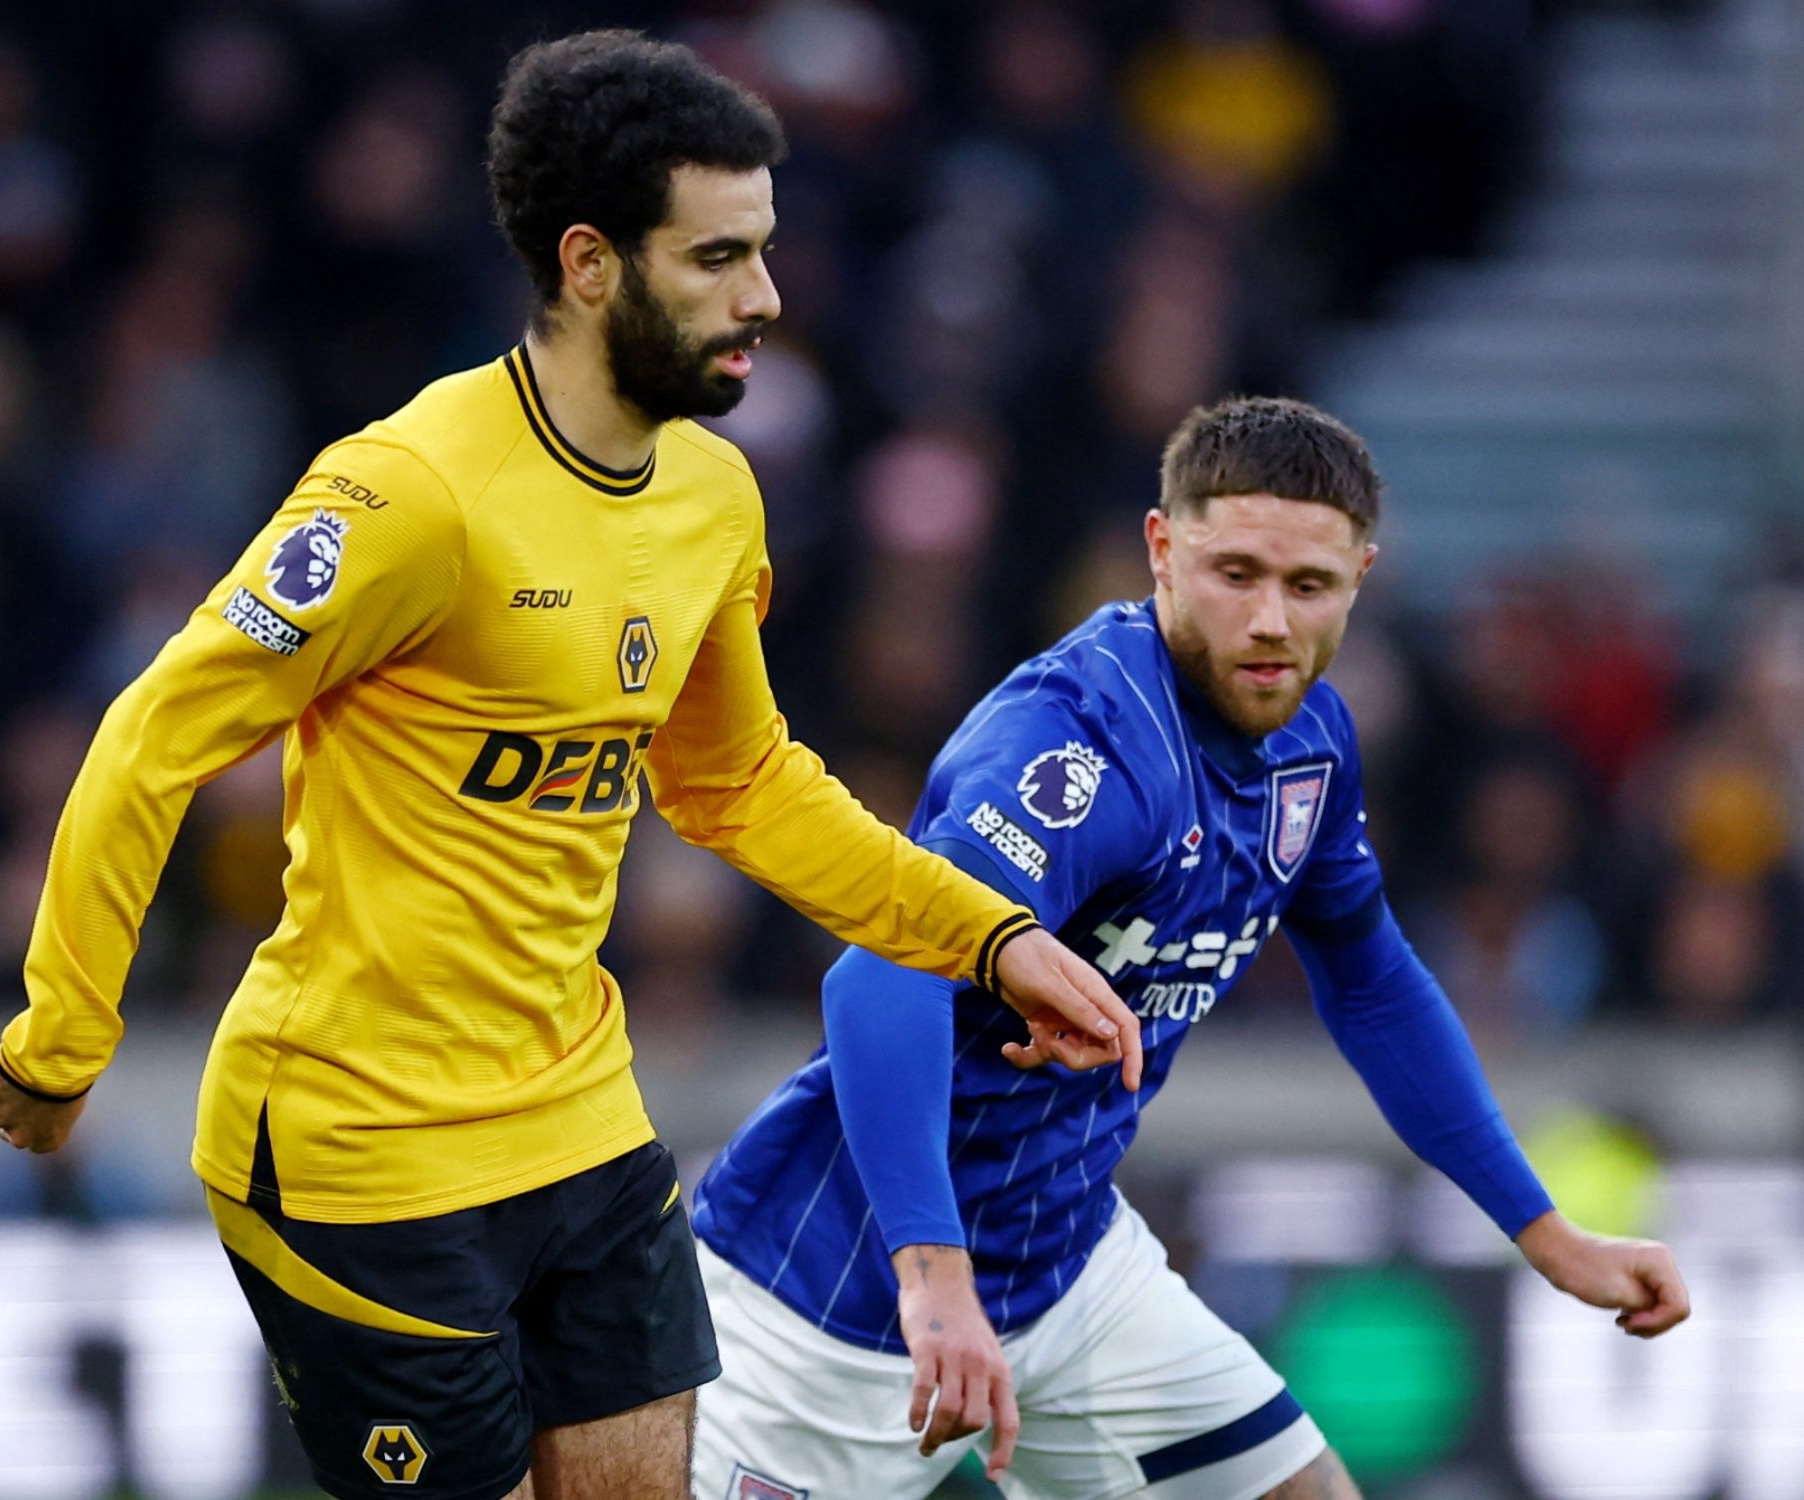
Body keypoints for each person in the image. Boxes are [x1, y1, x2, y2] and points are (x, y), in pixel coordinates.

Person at [0, 31, 1143, 1500]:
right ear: (591, 266)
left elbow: (740, 782)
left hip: (580, 1116)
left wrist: (987, 938)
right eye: (717, 259)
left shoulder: (715, 494)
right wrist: (62, 1036)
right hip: (356, 1152)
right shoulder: (411, 494)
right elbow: (154, 736)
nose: (766, 297)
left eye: (762, 253)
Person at [688, 397, 1690, 1500]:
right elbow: (881, 978)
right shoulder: (1078, 748)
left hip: (1067, 1265)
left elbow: (1374, 985)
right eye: (1236, 574)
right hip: (840, 1289)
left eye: (1308, 587)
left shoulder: (1309, 743)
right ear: (1162, 550)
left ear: (1362, 578)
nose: (1270, 621)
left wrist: (1545, 1232)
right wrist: (934, 1280)